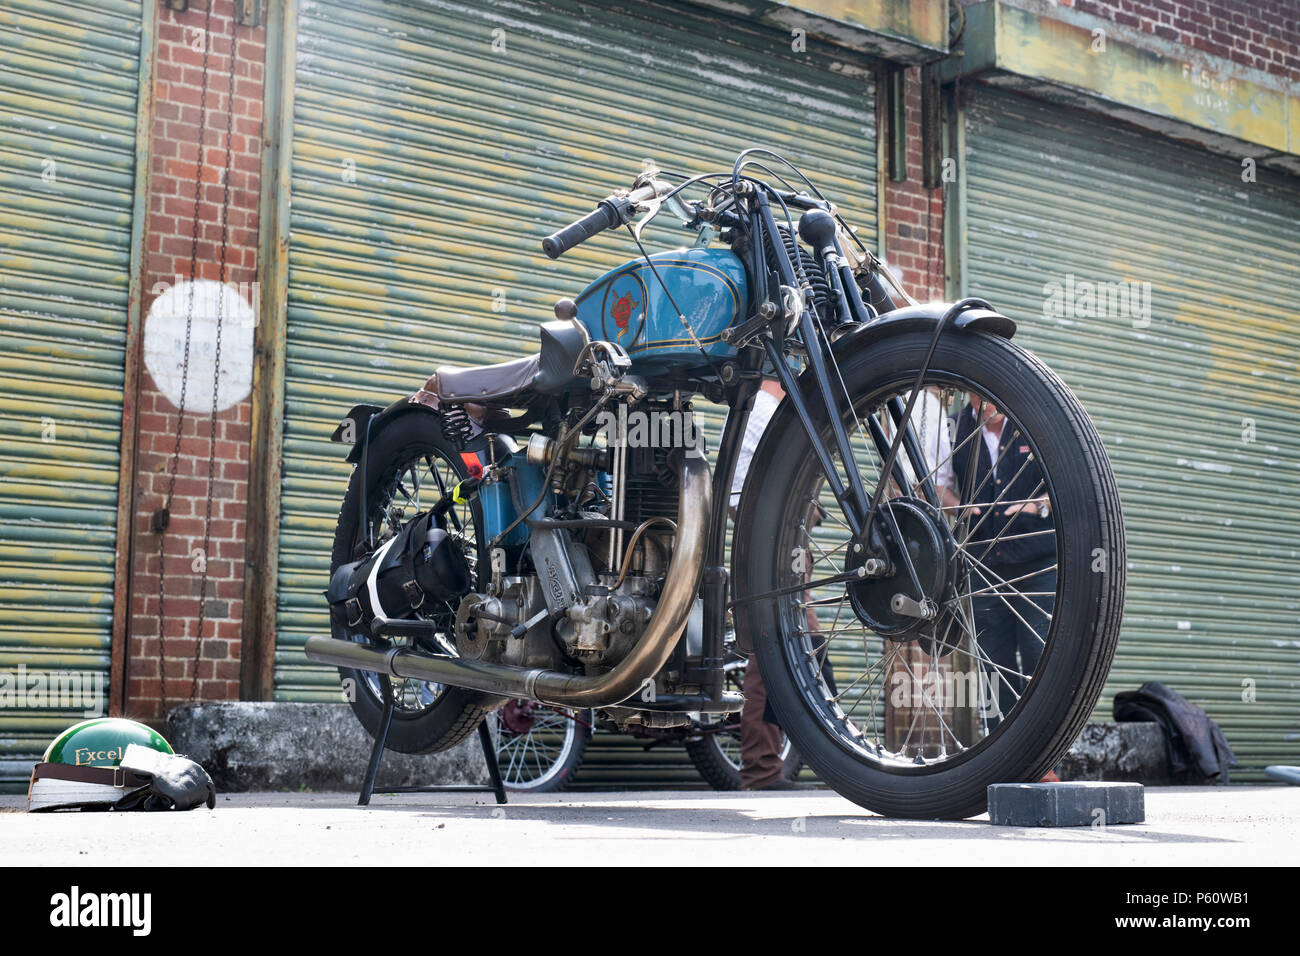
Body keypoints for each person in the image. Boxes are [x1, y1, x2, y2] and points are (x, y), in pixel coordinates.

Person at [949, 395, 1057, 727]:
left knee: (1041, 656)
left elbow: (1064, 485)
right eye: (978, 398)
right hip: (983, 563)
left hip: (1036, 562)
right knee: (993, 663)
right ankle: (1002, 755)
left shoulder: (1035, 422)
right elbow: (938, 487)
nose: (986, 405)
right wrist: (959, 506)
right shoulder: (952, 428)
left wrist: (1035, 506)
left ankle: (1043, 755)